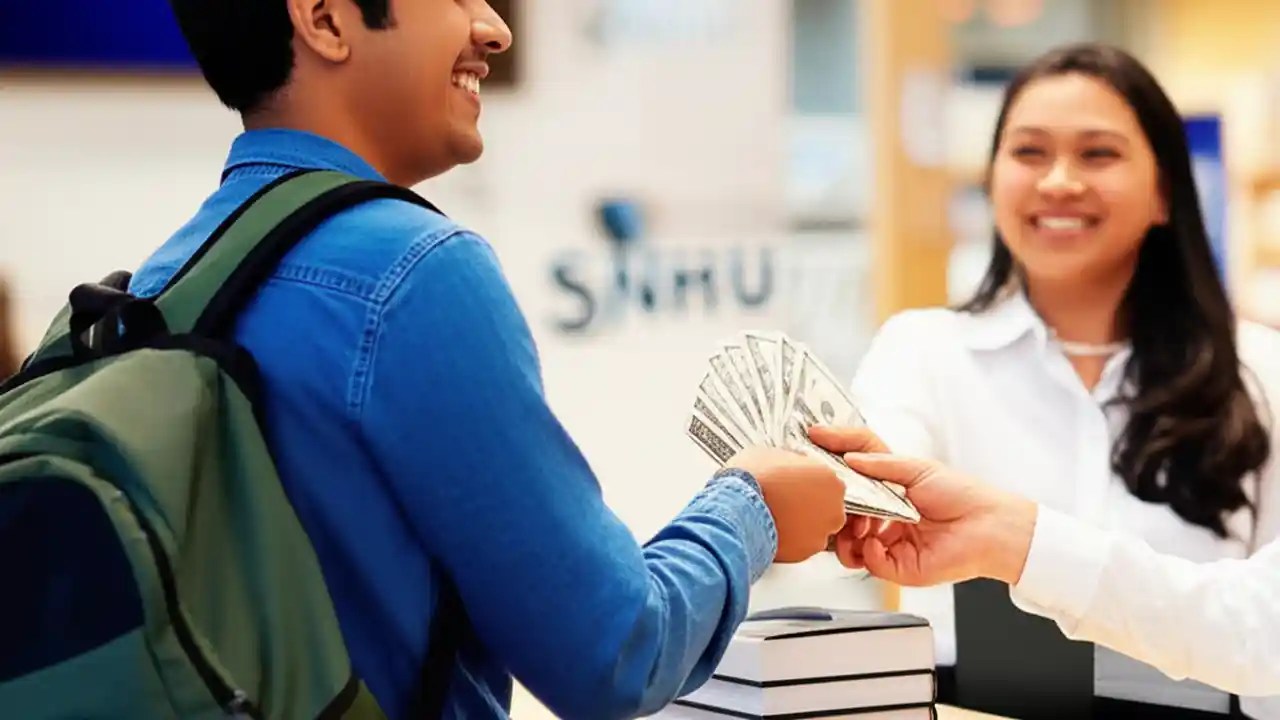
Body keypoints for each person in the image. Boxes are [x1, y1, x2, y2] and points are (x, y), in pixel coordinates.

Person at [143, 1, 850, 718]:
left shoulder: (154, 287)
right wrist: (752, 505)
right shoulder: (413, 273)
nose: (493, 28)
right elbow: (615, 654)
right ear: (325, 19)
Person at [844, 42, 1280, 713]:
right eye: (1029, 152)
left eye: (1098, 153)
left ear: (1165, 191)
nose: (1058, 182)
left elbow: (1266, 628)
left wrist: (1017, 539)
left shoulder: (1261, 371)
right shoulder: (922, 351)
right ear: (991, 181)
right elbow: (878, 490)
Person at [808, 423, 1280, 699]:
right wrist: (1001, 533)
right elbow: (1251, 620)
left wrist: (1004, 534)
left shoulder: (1256, 364)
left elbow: (1256, 626)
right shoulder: (924, 340)